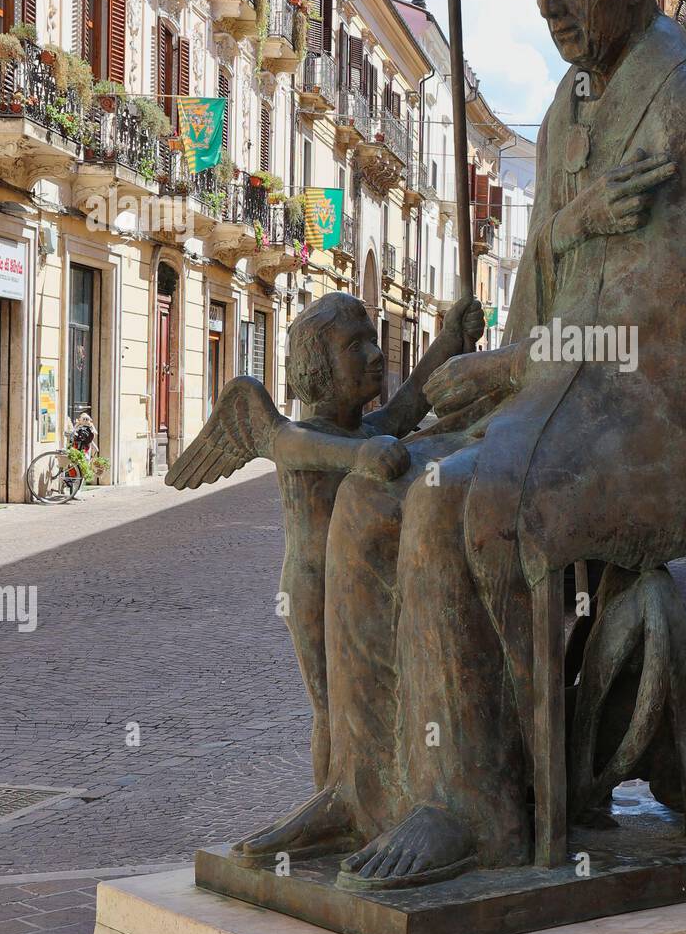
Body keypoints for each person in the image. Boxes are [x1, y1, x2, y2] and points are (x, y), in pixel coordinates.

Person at [239, 0, 686, 890]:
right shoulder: (570, 109)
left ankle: (473, 804)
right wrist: (491, 364)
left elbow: (658, 330)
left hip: (658, 427)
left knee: (445, 498)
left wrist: (513, 366)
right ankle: (366, 777)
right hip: (563, 403)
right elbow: (546, 295)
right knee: (373, 489)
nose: (549, 5)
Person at [166, 291, 482, 838]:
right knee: (332, 708)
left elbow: (408, 406)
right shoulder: (297, 434)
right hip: (312, 592)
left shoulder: (365, 428)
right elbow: (298, 449)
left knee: (375, 700)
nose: (375, 355)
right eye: (355, 347)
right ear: (315, 366)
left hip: (359, 587)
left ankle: (379, 798)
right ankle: (333, 804)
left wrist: (450, 341)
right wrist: (360, 456)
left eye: (373, 342)